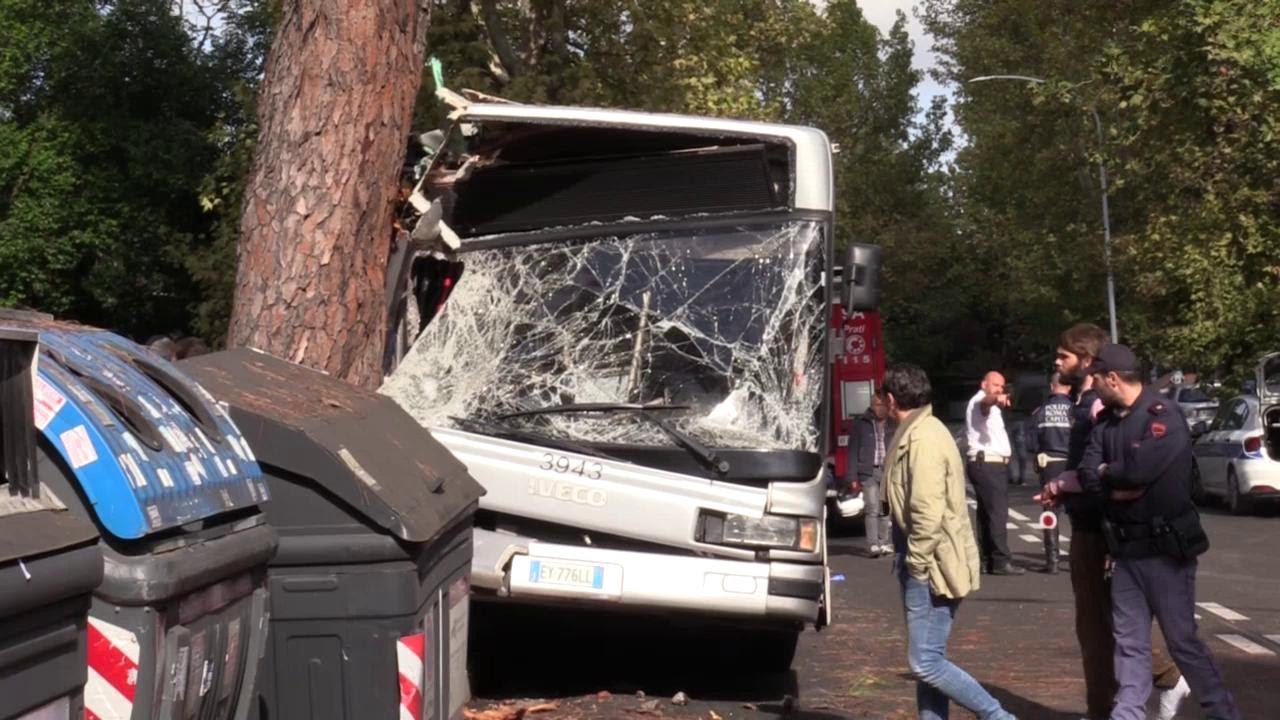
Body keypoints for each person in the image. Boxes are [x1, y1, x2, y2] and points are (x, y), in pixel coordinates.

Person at [1074, 344, 1239, 720]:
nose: (1094, 386)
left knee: (1182, 643)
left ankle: (1223, 713)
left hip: (1166, 552)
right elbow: (1089, 474)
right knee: (1129, 645)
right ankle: (1127, 715)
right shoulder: (1107, 424)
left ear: (1112, 378)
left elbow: (1138, 472)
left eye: (1097, 379)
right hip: (1126, 552)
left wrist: (1110, 473)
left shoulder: (1162, 415)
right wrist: (1111, 479)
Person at [1037, 328, 1189, 720]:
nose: (1057, 362)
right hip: (1092, 521)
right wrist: (1063, 485)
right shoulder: (1088, 402)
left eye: (1064, 356)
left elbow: (1109, 472)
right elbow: (1083, 470)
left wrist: (1085, 493)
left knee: (1097, 628)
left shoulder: (1097, 407)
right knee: (1105, 624)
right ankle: (1133, 695)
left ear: (1088, 361)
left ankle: (1120, 701)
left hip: (1098, 528)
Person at [881, 364, 1017, 720]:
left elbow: (926, 511)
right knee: (930, 657)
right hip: (930, 560)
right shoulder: (922, 430)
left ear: (892, 399)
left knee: (924, 662)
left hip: (931, 564)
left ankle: (997, 716)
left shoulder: (923, 438)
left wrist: (915, 563)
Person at [964, 371, 1024, 575]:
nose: (999, 389)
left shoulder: (987, 404)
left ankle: (986, 558)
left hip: (984, 464)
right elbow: (986, 402)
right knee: (997, 512)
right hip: (988, 464)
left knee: (986, 513)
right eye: (995, 385)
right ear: (984, 384)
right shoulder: (981, 400)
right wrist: (995, 398)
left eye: (1002, 386)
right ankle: (1000, 561)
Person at [1027, 372, 1073, 573]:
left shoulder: (1040, 412)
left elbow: (1031, 443)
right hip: (1071, 463)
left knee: (1049, 510)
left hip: (1049, 463)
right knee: (1075, 512)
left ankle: (1052, 560)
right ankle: (1077, 558)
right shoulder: (1074, 410)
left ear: (1052, 387)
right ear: (1069, 388)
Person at [850, 393, 892, 557]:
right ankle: (873, 544)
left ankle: (884, 542)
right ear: (872, 406)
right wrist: (852, 476)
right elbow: (852, 451)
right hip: (868, 471)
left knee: (886, 509)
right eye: (877, 405)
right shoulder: (862, 423)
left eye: (883, 405)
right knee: (872, 507)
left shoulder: (892, 423)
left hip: (887, 470)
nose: (881, 408)